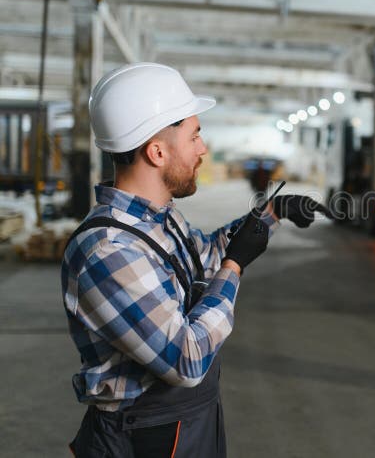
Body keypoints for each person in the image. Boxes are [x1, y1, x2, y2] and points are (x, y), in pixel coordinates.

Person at [61, 62, 326, 457]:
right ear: (157, 151)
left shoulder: (161, 219)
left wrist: (272, 213)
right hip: (142, 439)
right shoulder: (108, 249)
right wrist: (234, 268)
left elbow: (204, 255)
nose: (203, 148)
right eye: (195, 136)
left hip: (185, 424)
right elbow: (186, 358)